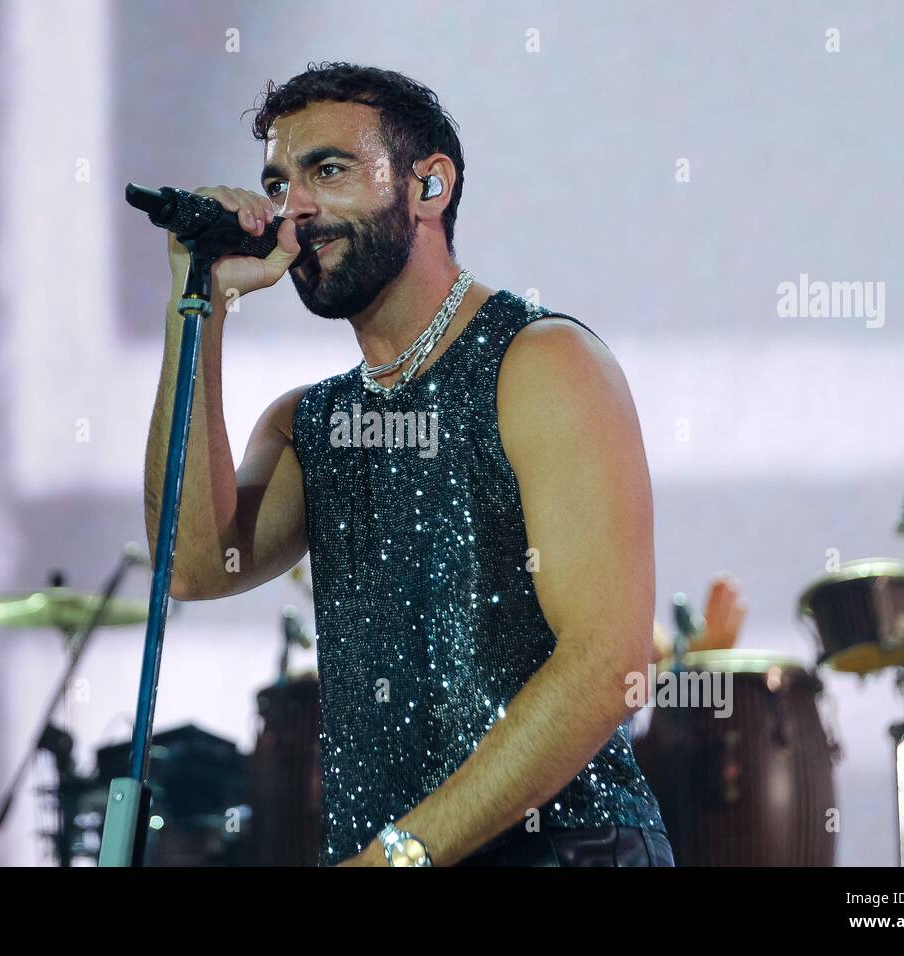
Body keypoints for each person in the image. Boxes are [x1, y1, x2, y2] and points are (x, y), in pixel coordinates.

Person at [146, 62, 670, 866]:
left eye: (328, 169)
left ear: (430, 187)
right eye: (279, 184)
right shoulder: (308, 424)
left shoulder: (540, 362)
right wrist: (199, 304)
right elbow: (189, 567)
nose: (298, 207)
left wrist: (401, 855)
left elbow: (607, 664)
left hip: (566, 848)